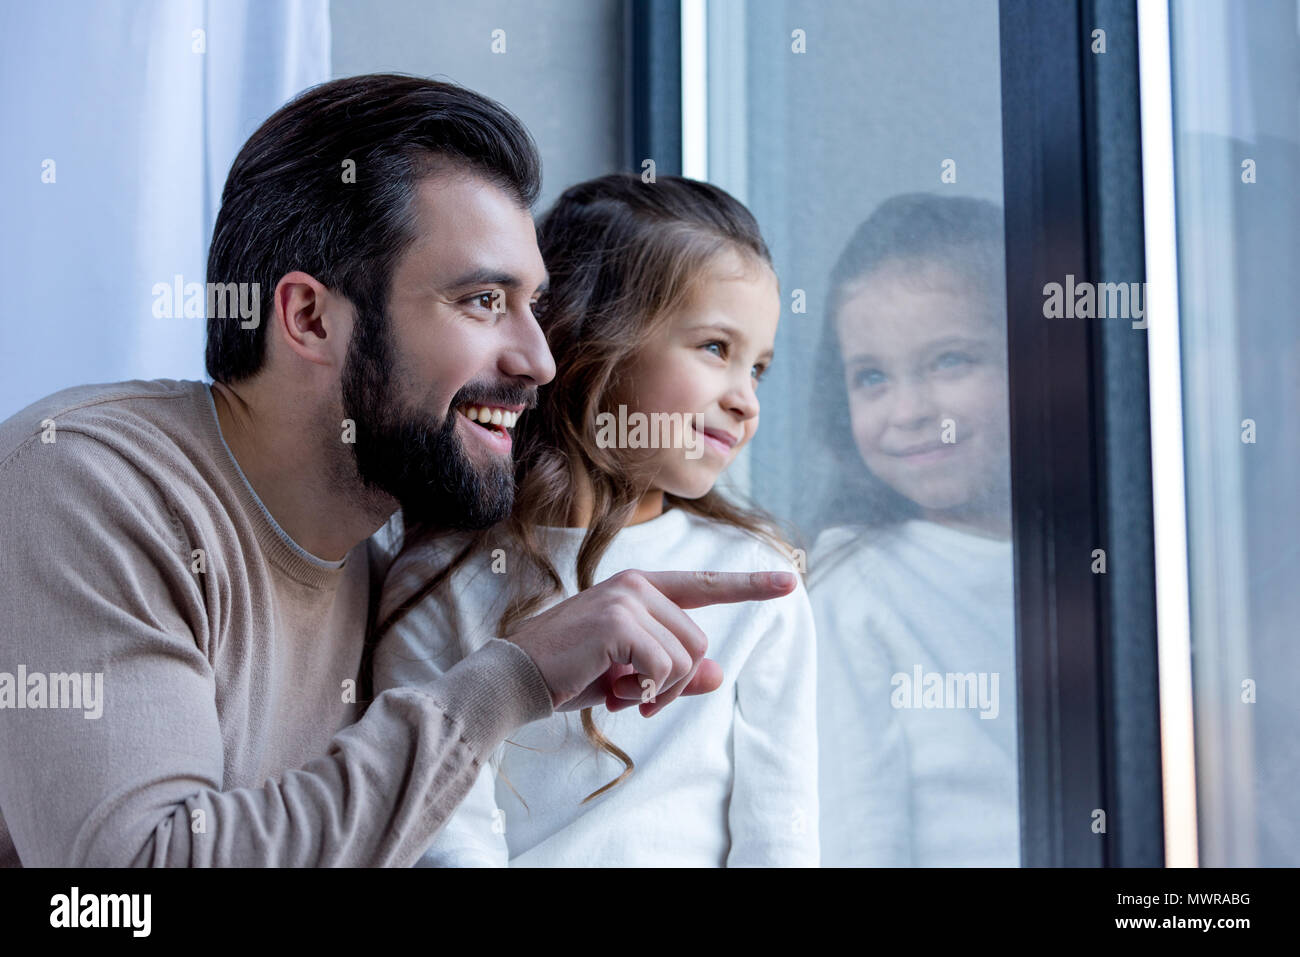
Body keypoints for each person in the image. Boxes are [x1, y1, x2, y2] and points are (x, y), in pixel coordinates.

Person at [0, 74, 794, 867]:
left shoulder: (394, 567)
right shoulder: (83, 483)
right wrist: (511, 681)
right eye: (484, 301)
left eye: (534, 305)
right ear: (311, 318)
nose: (541, 360)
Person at [372, 173, 818, 867]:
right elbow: (445, 835)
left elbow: (780, 832)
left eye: (758, 367)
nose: (745, 399)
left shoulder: (758, 584)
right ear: (585, 342)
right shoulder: (440, 576)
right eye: (715, 348)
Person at [807, 193, 1019, 866]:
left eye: (951, 361)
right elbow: (858, 835)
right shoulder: (852, 586)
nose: (910, 411)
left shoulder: (1110, 550)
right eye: (872, 377)